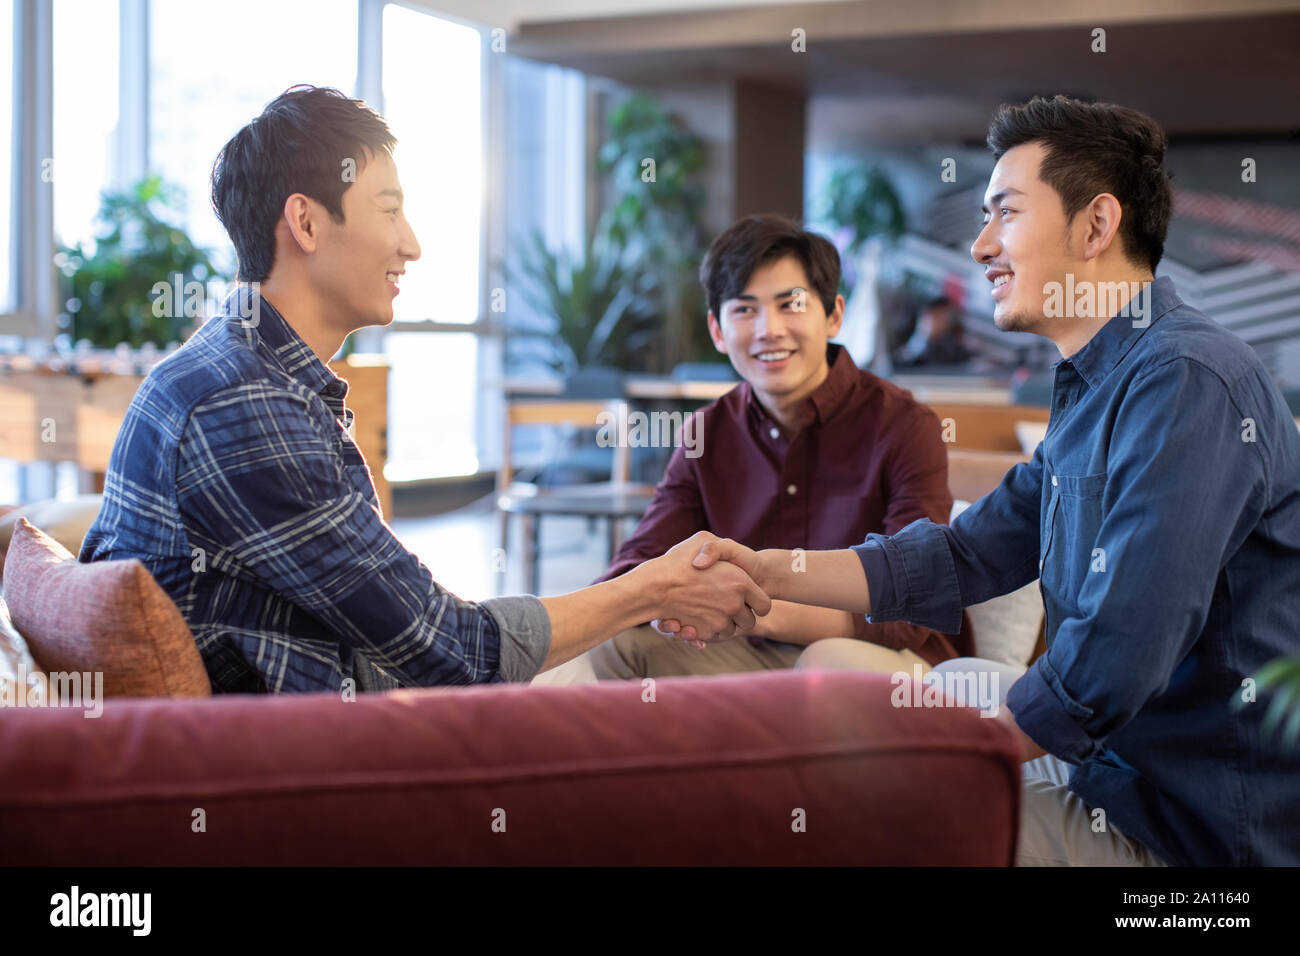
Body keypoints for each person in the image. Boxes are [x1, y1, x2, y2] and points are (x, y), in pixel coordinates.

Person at [664, 95, 1300, 867]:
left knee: (861, 819)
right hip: (1107, 775)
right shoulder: (1098, 384)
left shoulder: (1186, 382)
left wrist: (967, 752)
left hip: (1183, 834)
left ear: (1096, 226)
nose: (980, 244)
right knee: (844, 712)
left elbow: (1117, 650)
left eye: (1005, 213)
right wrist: (766, 569)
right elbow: (958, 557)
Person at [79, 86, 768, 693]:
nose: (412, 245)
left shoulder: (247, 373)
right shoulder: (242, 404)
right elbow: (450, 651)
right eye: (389, 211)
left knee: (621, 663)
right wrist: (651, 587)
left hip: (350, 707)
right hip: (306, 767)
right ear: (307, 222)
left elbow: (415, 626)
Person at [582, 215, 972, 681]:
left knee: (826, 664)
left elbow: (913, 604)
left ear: (834, 315)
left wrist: (741, 607)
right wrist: (658, 604)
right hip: (750, 652)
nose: (769, 329)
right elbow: (637, 563)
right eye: (745, 310)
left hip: (875, 659)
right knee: (620, 642)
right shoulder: (706, 433)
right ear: (718, 330)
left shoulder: (905, 425)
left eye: (791, 304)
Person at [896, 296, 974, 367]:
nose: (944, 322)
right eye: (937, 317)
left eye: (946, 318)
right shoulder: (913, 343)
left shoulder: (951, 345)